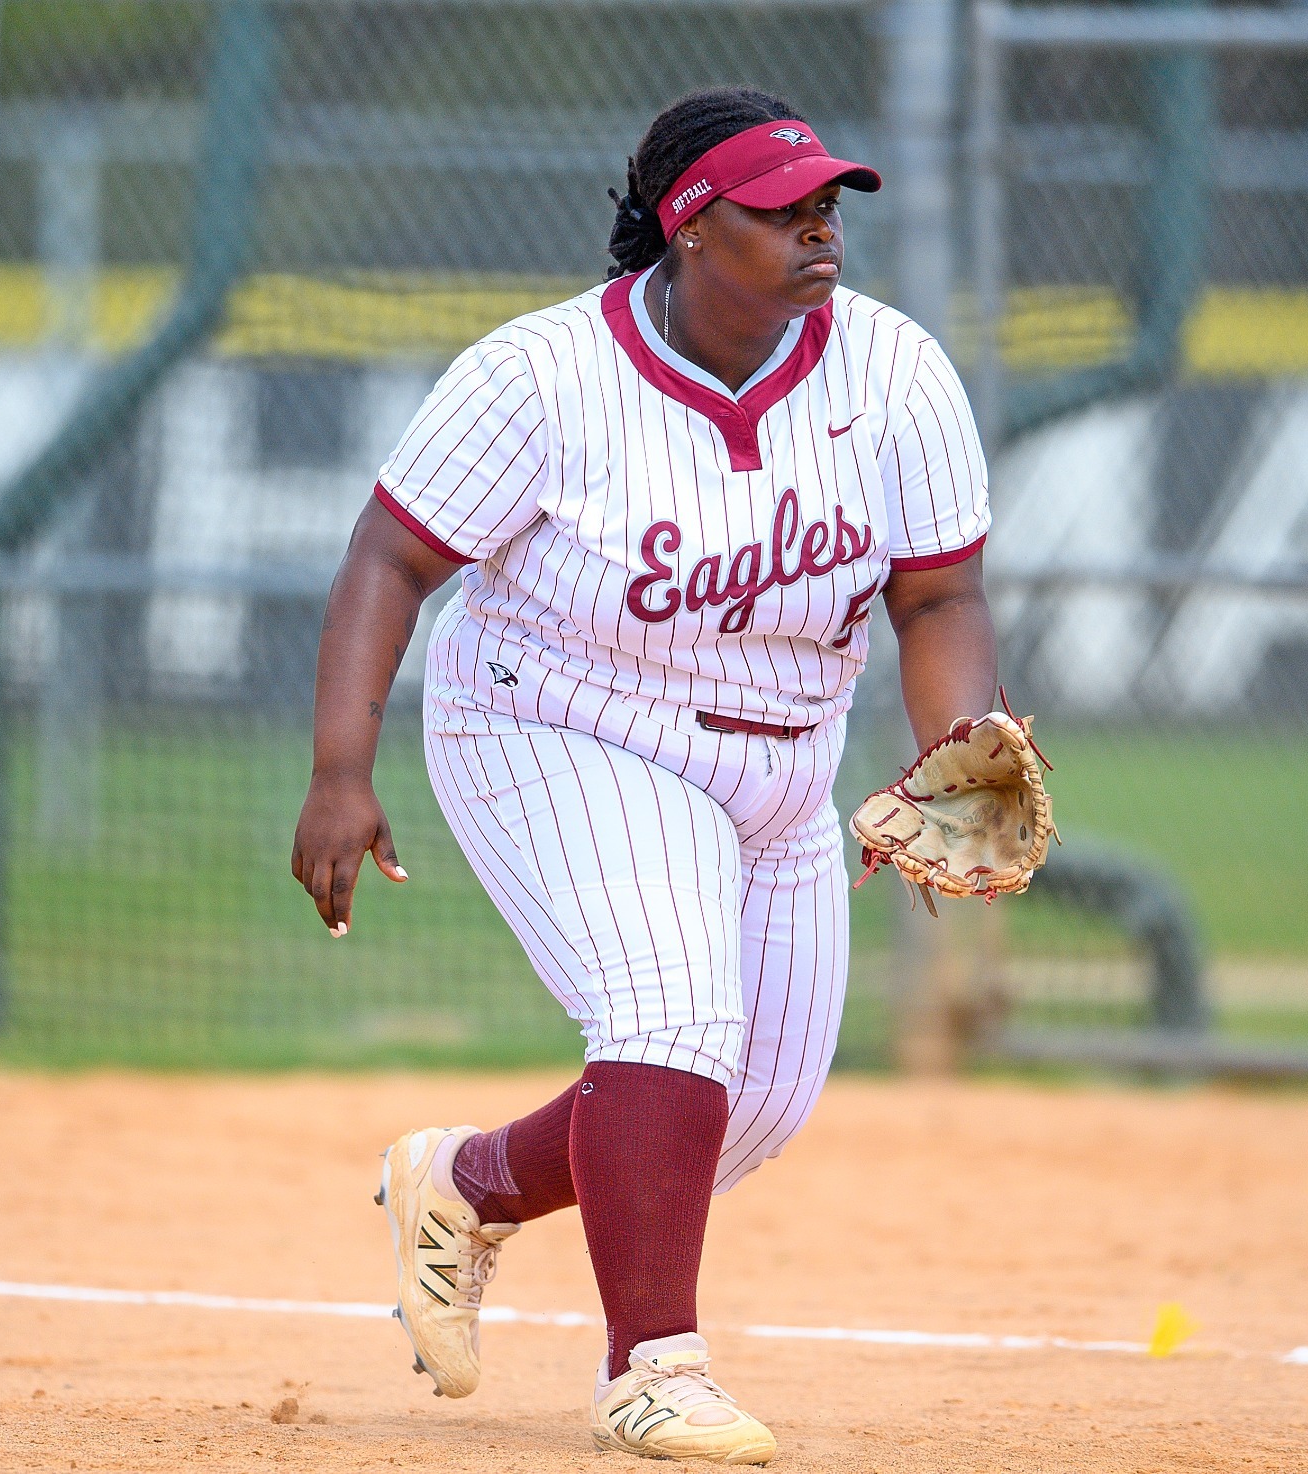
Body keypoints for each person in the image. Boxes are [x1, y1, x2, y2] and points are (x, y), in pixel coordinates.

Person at [291, 85, 996, 1465]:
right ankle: (652, 1370)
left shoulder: (895, 372)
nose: (819, 231)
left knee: (750, 1104)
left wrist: (954, 753)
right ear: (689, 227)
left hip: (783, 765)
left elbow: (940, 597)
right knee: (670, 1016)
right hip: (559, 726)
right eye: (780, 211)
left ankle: (467, 1183)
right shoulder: (543, 376)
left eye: (827, 206)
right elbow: (391, 555)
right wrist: (338, 767)